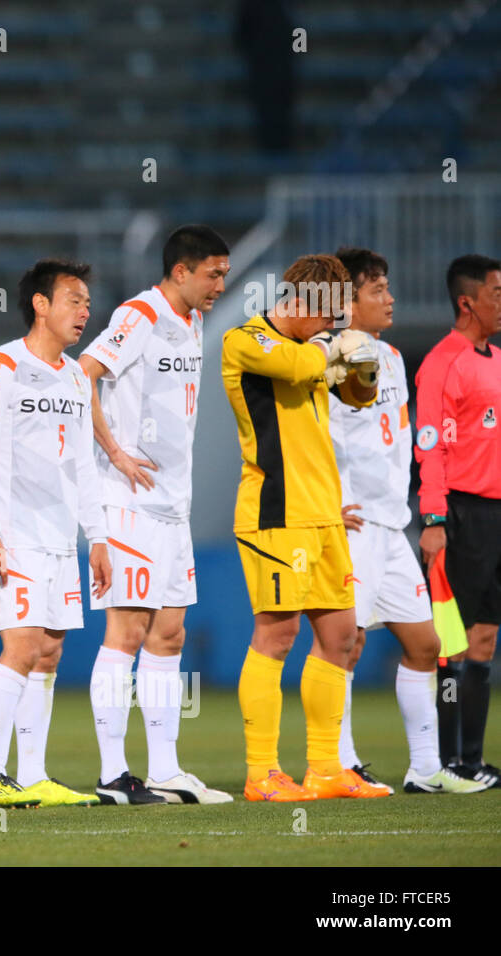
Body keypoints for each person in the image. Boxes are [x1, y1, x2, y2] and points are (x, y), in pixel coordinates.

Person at [78, 224, 233, 805]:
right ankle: (114, 774)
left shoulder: (190, 321)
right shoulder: (138, 315)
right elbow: (82, 376)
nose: (221, 283)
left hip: (172, 505)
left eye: (224, 273)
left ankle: (166, 770)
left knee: (169, 634)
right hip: (129, 502)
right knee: (128, 630)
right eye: (213, 273)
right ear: (181, 271)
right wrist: (115, 451)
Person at [222, 253, 384, 802]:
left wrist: (364, 362)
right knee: (277, 634)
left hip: (323, 513)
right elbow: (298, 368)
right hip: (275, 513)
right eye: (328, 314)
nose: (334, 325)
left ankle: (325, 768)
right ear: (301, 301)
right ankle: (260, 772)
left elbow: (360, 396)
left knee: (340, 637)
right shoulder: (245, 339)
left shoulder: (318, 347)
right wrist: (336, 350)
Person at [327, 247, 485, 795]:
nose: (390, 298)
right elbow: (310, 441)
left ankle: (425, 768)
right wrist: (325, 503)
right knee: (345, 645)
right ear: (345, 300)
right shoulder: (327, 358)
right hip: (350, 526)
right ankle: (340, 763)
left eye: (388, 288)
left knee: (424, 644)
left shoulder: (391, 358)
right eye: (378, 290)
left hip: (393, 526)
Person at [0, 258, 111, 808]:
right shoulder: (3, 367)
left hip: (60, 539)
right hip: (17, 533)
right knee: (21, 646)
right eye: (74, 300)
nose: (84, 311)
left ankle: (32, 775)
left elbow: (83, 462)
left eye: (87, 303)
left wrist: (97, 536)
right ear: (40, 304)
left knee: (49, 652)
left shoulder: (76, 375)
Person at [415, 254, 501, 788]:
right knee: (452, 643)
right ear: (467, 301)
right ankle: (445, 763)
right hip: (462, 513)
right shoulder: (442, 363)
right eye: (497, 292)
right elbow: (430, 448)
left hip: (497, 513)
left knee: (486, 639)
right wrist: (433, 516)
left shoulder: (496, 359)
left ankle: (473, 759)